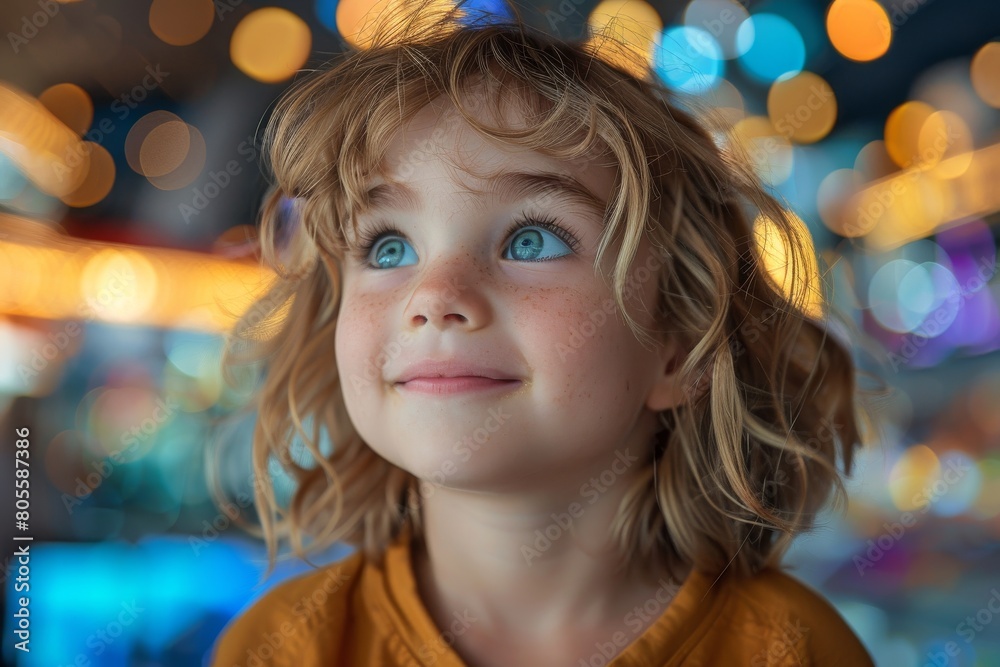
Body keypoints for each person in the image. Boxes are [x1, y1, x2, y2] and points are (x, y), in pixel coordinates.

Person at [209, 1, 882, 664]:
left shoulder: (795, 648)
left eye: (531, 239)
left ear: (680, 344)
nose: (436, 297)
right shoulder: (282, 647)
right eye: (388, 248)